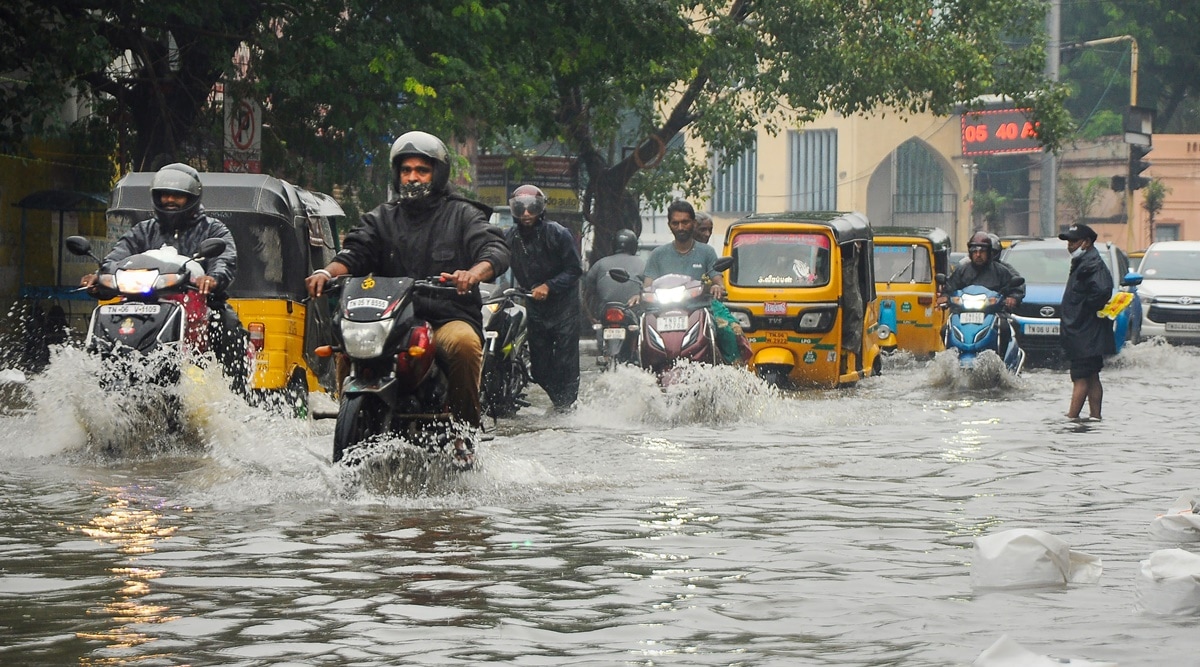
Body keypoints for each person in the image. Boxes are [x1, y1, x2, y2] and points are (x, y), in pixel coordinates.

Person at [305, 131, 509, 430]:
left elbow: (494, 249)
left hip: (446, 318)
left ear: (437, 174)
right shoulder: (381, 218)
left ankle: (466, 431)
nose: (413, 177)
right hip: (390, 322)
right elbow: (355, 251)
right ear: (397, 174)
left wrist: (473, 273)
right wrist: (326, 272)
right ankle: (348, 419)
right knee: (349, 348)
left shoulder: (463, 214)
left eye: (422, 170)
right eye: (406, 170)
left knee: (465, 345)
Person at [81, 162, 248, 393]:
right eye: (164, 195)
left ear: (192, 198)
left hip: (198, 303)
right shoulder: (143, 230)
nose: (170, 200)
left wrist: (212, 278)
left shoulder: (213, 229)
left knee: (229, 326)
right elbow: (118, 256)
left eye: (177, 196)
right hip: (141, 302)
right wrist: (101, 277)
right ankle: (93, 380)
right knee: (108, 320)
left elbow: (225, 259)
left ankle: (235, 395)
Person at [504, 184, 583, 411]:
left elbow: (575, 269)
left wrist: (549, 286)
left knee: (566, 361)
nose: (526, 214)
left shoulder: (558, 233)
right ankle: (560, 401)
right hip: (535, 308)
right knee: (539, 368)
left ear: (540, 209)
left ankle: (567, 407)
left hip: (564, 307)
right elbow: (495, 260)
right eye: (521, 208)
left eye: (532, 208)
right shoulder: (509, 238)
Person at [1058, 223, 1114, 421]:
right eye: (1068, 242)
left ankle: (1072, 419)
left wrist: (1085, 310)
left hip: (1085, 331)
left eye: (1074, 241)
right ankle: (1095, 417)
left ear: (1087, 242)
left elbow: (1102, 290)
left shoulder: (1092, 264)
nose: (1070, 246)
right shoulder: (1084, 262)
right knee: (1091, 375)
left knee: (1080, 377)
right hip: (1084, 331)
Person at [643, 200, 725, 298]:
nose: (680, 227)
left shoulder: (707, 252)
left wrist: (717, 287)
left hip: (698, 308)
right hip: (663, 310)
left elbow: (718, 282)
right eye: (675, 223)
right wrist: (640, 295)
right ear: (669, 225)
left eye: (685, 222)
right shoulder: (657, 254)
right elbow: (647, 288)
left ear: (694, 223)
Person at [938, 230, 1025, 309]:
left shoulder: (1001, 271)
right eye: (975, 251)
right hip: (963, 313)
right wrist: (945, 296)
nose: (978, 255)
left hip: (993, 313)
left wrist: (1013, 298)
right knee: (947, 326)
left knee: (1006, 325)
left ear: (989, 252)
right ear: (970, 253)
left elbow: (1016, 288)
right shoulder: (961, 271)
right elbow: (950, 287)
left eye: (982, 251)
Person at [582, 228, 644, 322]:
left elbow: (587, 290)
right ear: (634, 245)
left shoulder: (600, 264)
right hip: (633, 313)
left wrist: (590, 317)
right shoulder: (642, 264)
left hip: (604, 313)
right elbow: (650, 287)